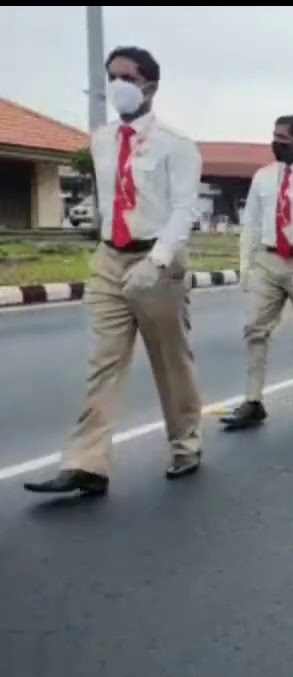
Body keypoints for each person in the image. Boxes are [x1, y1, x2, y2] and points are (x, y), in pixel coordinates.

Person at [26, 47, 204, 495]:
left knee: (170, 360)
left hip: (157, 261)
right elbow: (110, 198)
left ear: (151, 85)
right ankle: (88, 463)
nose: (118, 85)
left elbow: (184, 211)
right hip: (110, 258)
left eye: (127, 76)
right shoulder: (102, 139)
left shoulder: (177, 145)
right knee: (103, 362)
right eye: (112, 77)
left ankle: (186, 443)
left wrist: (158, 261)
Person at [221, 115, 293, 431]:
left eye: (283, 138)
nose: (275, 143)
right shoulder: (263, 177)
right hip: (268, 261)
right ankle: (252, 401)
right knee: (255, 328)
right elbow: (251, 223)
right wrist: (245, 265)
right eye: (274, 136)